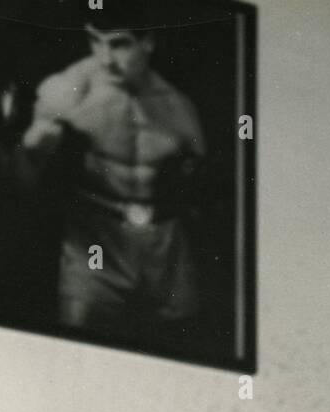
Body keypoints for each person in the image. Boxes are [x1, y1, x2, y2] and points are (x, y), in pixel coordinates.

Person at [18, 9, 206, 336]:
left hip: (165, 247)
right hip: (95, 242)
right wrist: (32, 150)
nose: (105, 58)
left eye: (120, 44)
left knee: (179, 349)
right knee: (81, 344)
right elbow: (20, 180)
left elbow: (204, 185)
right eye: (94, 41)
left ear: (148, 43)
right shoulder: (67, 91)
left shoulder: (180, 107)